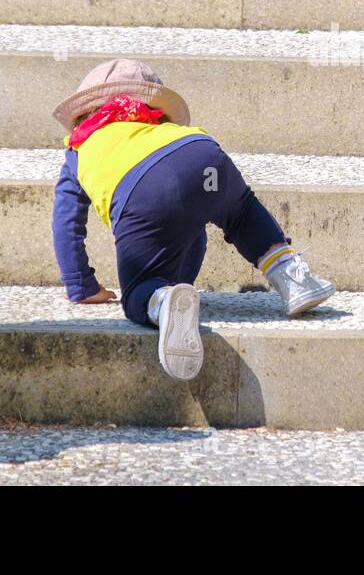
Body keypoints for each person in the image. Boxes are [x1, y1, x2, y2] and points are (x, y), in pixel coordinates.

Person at [51, 58, 334, 380]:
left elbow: (67, 221)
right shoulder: (162, 127)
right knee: (240, 212)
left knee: (138, 293)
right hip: (201, 155)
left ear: (83, 114)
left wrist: (81, 285)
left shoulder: (80, 147)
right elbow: (191, 230)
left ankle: (159, 300)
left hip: (145, 189)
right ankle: (290, 275)